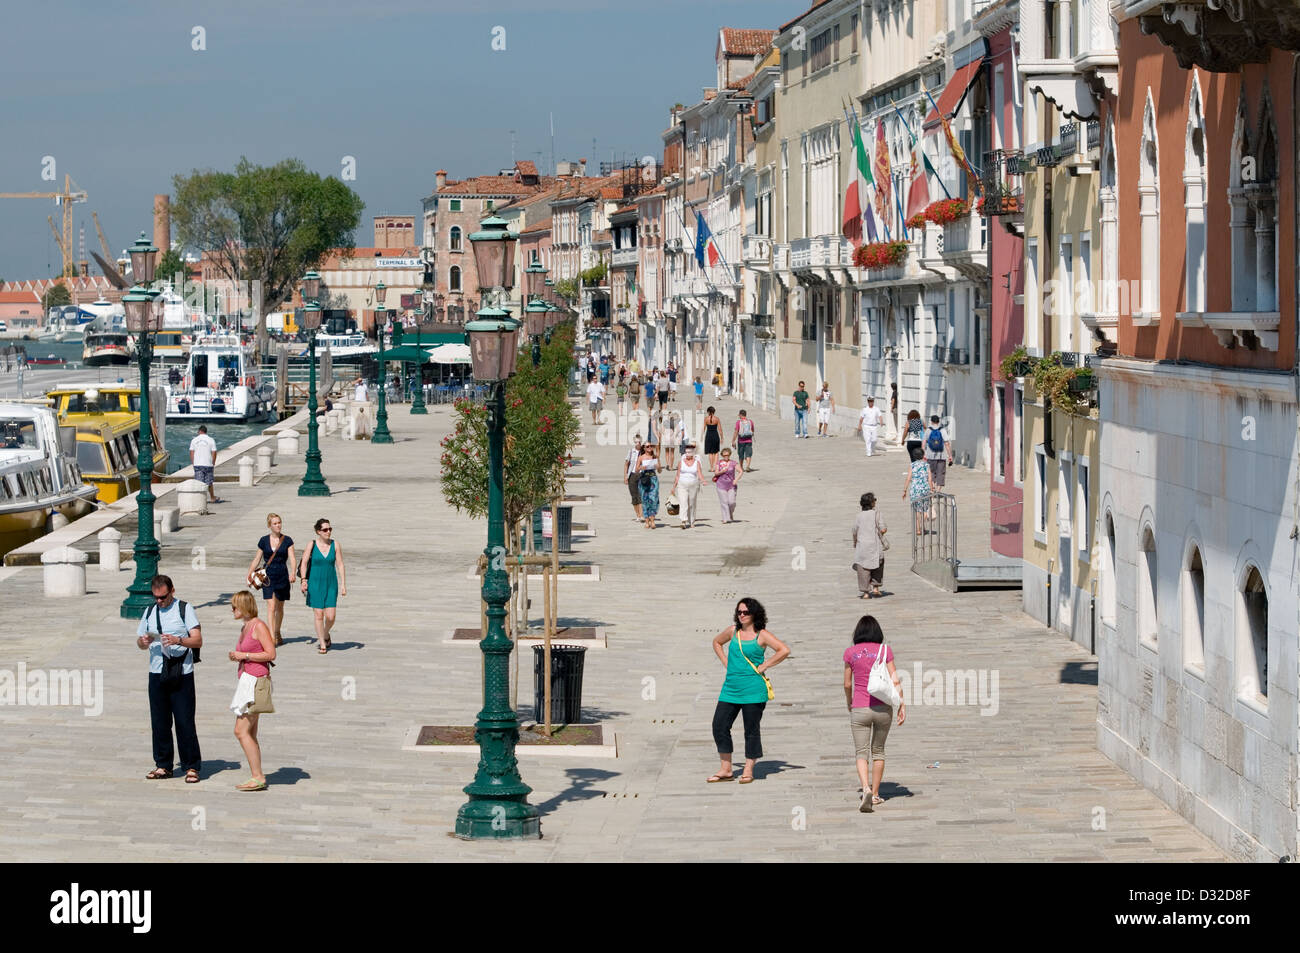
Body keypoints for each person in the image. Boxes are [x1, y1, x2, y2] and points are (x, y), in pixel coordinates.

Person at [707, 598, 790, 784]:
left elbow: (783, 650)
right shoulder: (732, 631)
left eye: (746, 612)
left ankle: (748, 768)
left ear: (755, 614)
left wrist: (765, 665)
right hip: (730, 688)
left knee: (751, 730)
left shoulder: (762, 635)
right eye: (739, 612)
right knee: (719, 726)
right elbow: (716, 642)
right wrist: (725, 661)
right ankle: (726, 768)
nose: (742, 615)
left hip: (754, 690)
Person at [137, 574, 203, 783]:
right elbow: (139, 643)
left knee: (184, 720)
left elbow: (198, 640)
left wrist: (178, 640)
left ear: (172, 591)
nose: (159, 601)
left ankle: (191, 766)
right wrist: (144, 641)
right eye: (155, 597)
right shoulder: (149, 611)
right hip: (157, 672)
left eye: (163, 597)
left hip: (182, 672)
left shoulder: (185, 609)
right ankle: (163, 765)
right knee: (159, 721)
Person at [843, 616, 905, 812]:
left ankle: (866, 788)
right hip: (883, 708)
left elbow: (847, 683)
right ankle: (876, 794)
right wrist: (902, 705)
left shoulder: (850, 653)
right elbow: (895, 680)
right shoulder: (884, 650)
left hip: (859, 708)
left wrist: (849, 702)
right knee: (878, 751)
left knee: (861, 753)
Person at [228, 590, 276, 792]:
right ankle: (256, 775)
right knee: (250, 732)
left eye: (235, 606)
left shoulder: (258, 625)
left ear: (245, 607)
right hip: (247, 681)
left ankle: (258, 776)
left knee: (240, 731)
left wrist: (244, 655)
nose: (232, 609)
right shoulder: (245, 626)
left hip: (256, 682)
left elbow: (271, 653)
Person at [246, 513, 297, 646]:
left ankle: (277, 631)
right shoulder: (263, 540)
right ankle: (271, 636)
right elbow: (257, 558)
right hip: (268, 577)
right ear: (269, 526)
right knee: (271, 606)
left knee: (279, 608)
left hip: (282, 575)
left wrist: (293, 573)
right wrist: (250, 573)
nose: (278, 525)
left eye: (279, 522)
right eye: (275, 523)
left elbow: (292, 558)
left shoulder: (287, 540)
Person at [300, 518, 346, 653]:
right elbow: (303, 563)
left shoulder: (335, 544)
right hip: (315, 583)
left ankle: (326, 633)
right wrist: (303, 580)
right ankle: (322, 643)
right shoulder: (312, 544)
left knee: (331, 617)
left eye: (330, 529)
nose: (328, 532)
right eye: (325, 530)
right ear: (318, 531)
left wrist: (343, 583)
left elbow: (340, 564)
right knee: (319, 614)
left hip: (331, 583)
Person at [851, 493, 887, 598]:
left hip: (862, 546)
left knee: (863, 570)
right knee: (878, 566)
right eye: (874, 499)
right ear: (872, 503)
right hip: (875, 546)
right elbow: (883, 529)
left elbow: (854, 531)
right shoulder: (877, 514)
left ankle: (866, 593)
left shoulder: (859, 516)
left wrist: (855, 542)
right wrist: (883, 531)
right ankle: (876, 589)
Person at [904, 444, 936, 536]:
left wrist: (904, 490)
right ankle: (923, 527)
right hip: (925, 489)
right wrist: (931, 490)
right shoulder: (926, 465)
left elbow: (908, 478)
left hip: (915, 489)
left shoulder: (912, 465)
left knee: (917, 510)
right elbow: (930, 479)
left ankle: (918, 529)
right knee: (925, 508)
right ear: (922, 455)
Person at [671, 441, 705, 529]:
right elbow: (677, 475)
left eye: (689, 452)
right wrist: (674, 487)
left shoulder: (696, 462)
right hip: (682, 485)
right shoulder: (681, 462)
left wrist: (703, 481)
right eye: (686, 452)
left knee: (692, 504)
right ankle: (683, 521)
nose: (687, 454)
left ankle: (692, 521)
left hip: (693, 484)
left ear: (693, 453)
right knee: (683, 502)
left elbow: (699, 473)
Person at [189, 424, 221, 504]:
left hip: (198, 464)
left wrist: (193, 462)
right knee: (209, 482)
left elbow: (192, 452)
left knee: (199, 483)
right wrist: (213, 462)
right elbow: (214, 452)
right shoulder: (211, 440)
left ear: (199, 431)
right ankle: (212, 498)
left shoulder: (194, 440)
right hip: (208, 464)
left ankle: (199, 499)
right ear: (206, 432)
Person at [925, 414, 954, 490]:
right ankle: (938, 491)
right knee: (940, 473)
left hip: (930, 456)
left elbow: (924, 442)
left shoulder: (928, 430)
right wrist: (950, 456)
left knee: (931, 473)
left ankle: (932, 488)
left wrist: (924, 454)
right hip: (941, 456)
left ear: (931, 421)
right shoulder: (942, 430)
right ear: (938, 422)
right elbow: (947, 444)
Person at [713, 446, 741, 523]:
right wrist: (722, 471)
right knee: (724, 502)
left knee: (732, 502)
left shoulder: (733, 463)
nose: (726, 456)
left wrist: (736, 479)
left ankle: (730, 513)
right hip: (721, 484)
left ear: (730, 455)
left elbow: (741, 471)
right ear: (722, 455)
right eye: (724, 455)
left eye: (727, 455)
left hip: (731, 485)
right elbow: (716, 473)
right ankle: (725, 518)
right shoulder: (719, 463)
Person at [623, 434, 644, 521]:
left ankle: (642, 515)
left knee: (641, 495)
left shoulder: (644, 452)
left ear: (641, 442)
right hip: (632, 475)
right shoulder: (631, 451)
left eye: (639, 442)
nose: (637, 444)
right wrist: (625, 476)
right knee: (634, 496)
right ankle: (638, 515)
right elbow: (626, 464)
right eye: (635, 442)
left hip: (641, 475)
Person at [638, 446, 660, 529]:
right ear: (644, 448)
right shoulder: (641, 457)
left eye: (651, 446)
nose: (650, 448)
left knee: (654, 499)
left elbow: (659, 470)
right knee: (645, 500)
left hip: (653, 479)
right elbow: (636, 469)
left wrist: (658, 467)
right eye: (647, 446)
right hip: (644, 479)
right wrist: (641, 467)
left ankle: (653, 521)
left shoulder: (655, 457)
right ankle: (647, 521)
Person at [703, 406, 722, 471]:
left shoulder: (706, 419)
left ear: (708, 412)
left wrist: (701, 437)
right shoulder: (717, 419)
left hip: (708, 436)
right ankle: (716, 467)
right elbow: (720, 429)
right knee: (716, 452)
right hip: (715, 436)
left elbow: (703, 428)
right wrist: (722, 437)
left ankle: (711, 467)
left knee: (710, 453)